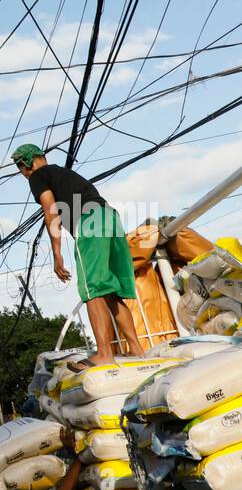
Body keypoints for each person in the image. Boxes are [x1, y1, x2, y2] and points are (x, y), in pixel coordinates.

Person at [11, 143, 145, 368]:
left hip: (89, 223)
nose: (23, 174)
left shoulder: (38, 176)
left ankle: (104, 353)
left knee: (92, 288)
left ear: (26, 164)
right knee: (109, 291)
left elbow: (51, 211)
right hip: (110, 218)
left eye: (21, 169)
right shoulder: (64, 173)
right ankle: (136, 348)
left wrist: (57, 253)